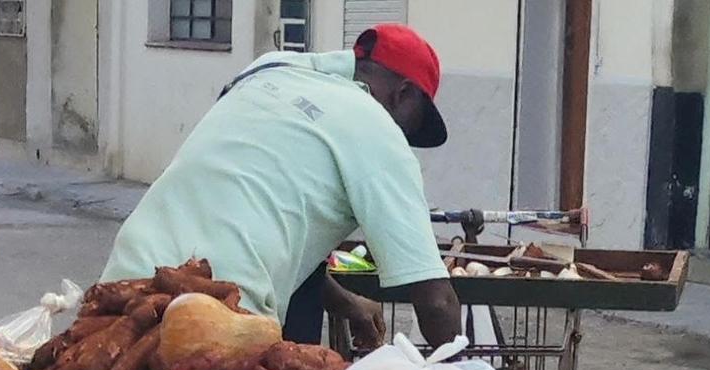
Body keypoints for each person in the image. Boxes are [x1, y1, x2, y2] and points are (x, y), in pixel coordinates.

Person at [99, 24, 461, 349]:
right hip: (218, 312)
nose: (407, 138)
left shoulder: (266, 70)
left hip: (123, 283)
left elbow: (250, 215)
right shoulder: (378, 130)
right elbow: (436, 300)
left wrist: (346, 302)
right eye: (414, 125)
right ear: (403, 94)